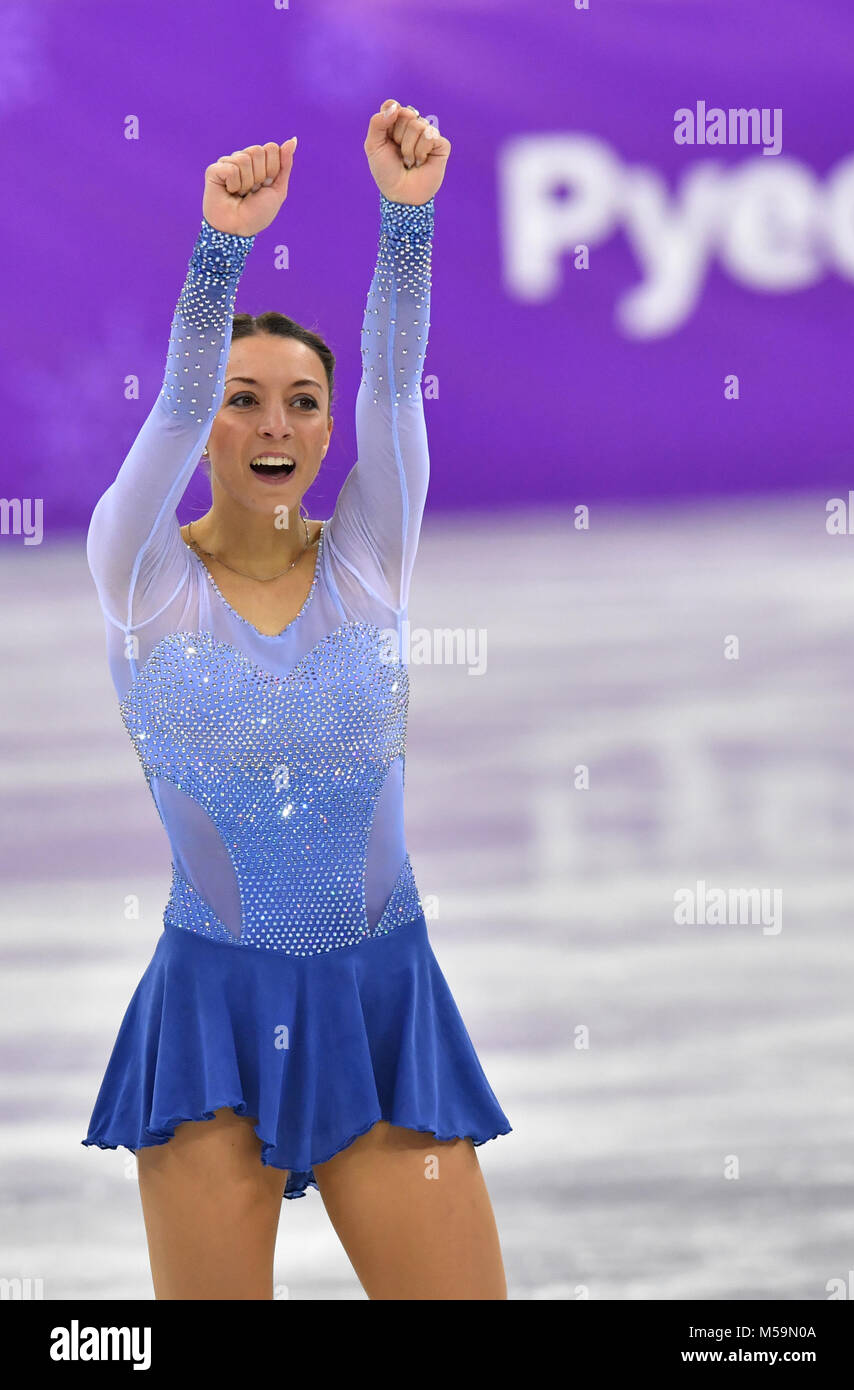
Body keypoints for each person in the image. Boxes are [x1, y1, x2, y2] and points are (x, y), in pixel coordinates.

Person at [81, 102, 512, 1300]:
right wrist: (219, 245)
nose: (276, 422)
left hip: (382, 1001)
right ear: (206, 420)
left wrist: (408, 218)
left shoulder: (373, 556)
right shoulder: (143, 576)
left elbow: (394, 377)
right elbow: (166, 414)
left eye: (302, 400)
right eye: (245, 396)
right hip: (212, 1018)